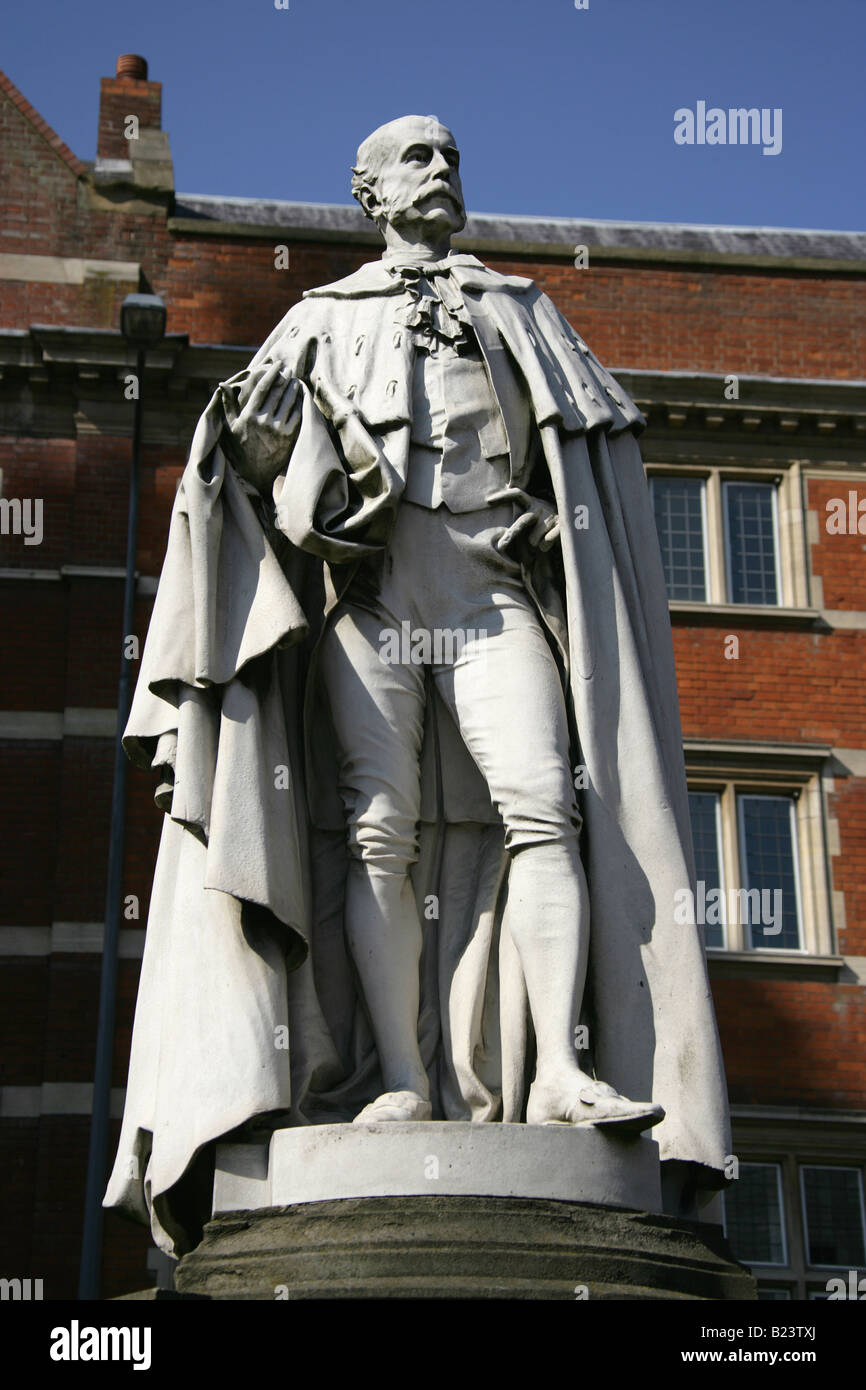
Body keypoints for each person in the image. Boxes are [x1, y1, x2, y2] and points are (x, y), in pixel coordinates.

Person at [105, 116, 730, 1257]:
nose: (440, 172)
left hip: (492, 590)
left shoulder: (523, 311)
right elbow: (240, 471)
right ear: (369, 192)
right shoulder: (312, 320)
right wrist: (250, 451)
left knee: (543, 805)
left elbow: (597, 457)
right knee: (374, 832)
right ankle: (395, 1079)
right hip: (370, 599)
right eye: (415, 159)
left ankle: (558, 1071)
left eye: (450, 156)